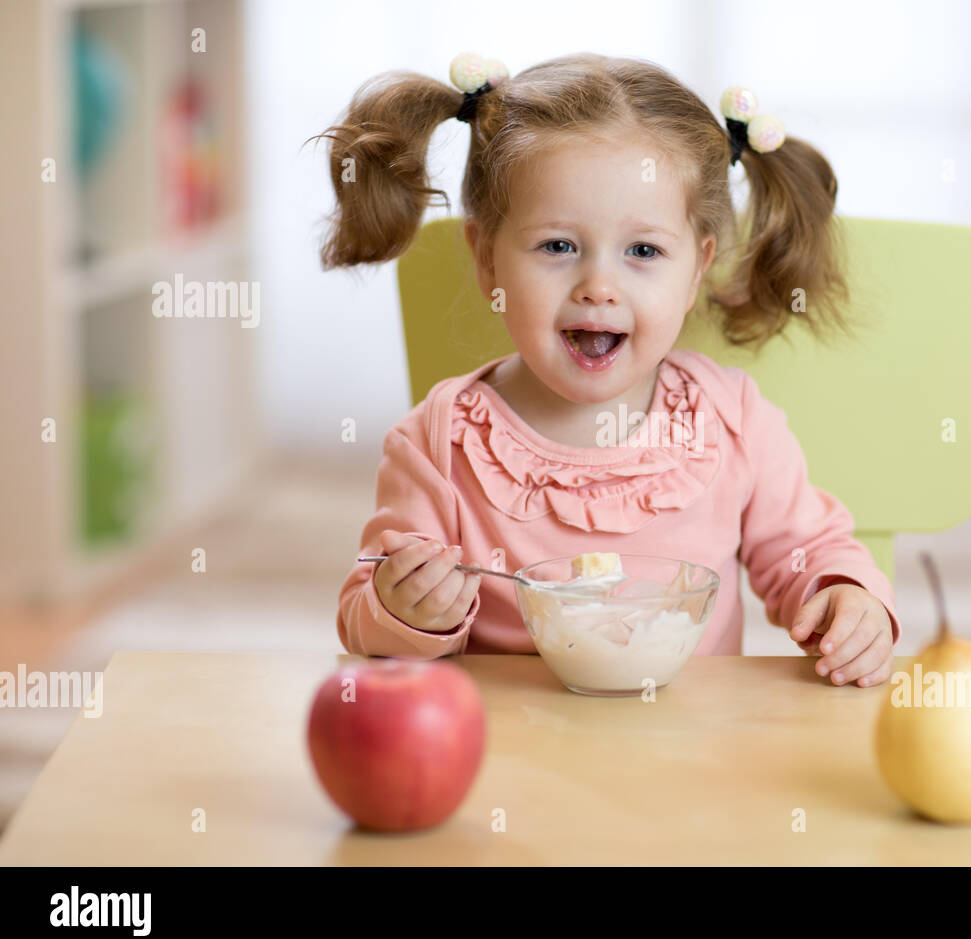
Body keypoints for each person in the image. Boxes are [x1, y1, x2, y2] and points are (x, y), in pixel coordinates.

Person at [317, 51, 900, 687]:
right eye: (558, 246)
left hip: (693, 756)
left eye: (643, 250)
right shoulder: (438, 443)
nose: (599, 286)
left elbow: (809, 553)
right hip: (511, 760)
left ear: (696, 270)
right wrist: (407, 611)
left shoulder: (733, 422)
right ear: (487, 260)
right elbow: (364, 619)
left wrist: (847, 596)